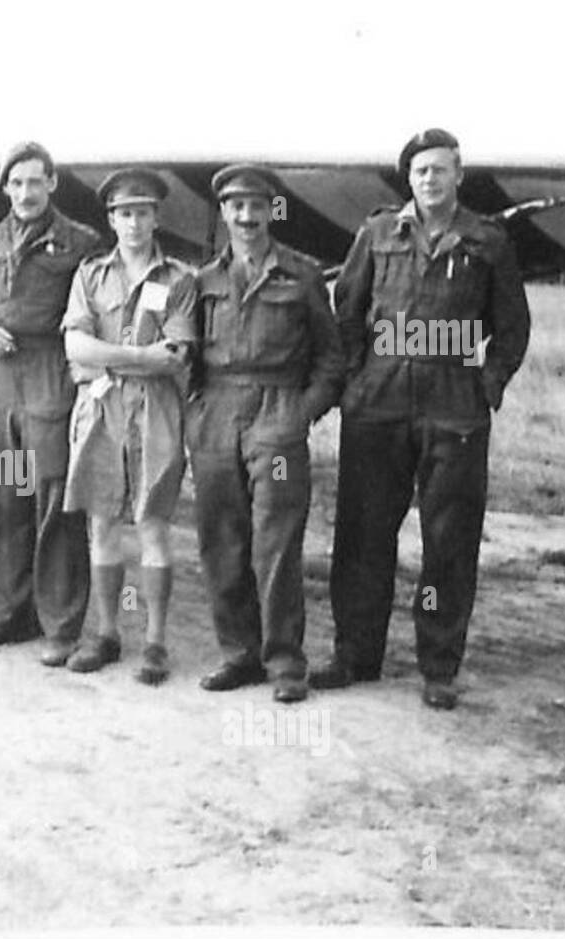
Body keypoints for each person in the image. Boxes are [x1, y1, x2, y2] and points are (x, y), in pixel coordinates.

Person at [311, 129, 531, 710]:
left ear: (459, 174)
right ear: (407, 179)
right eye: (418, 171)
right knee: (362, 534)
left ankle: (438, 666)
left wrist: (487, 383)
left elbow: (511, 326)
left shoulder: (487, 240)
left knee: (448, 540)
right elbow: (348, 309)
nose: (429, 179)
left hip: (454, 405)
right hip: (378, 402)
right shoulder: (378, 231)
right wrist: (358, 376)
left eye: (439, 169)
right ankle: (356, 655)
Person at [188, 164, 345, 703]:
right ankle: (238, 652)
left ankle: (284, 661)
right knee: (220, 538)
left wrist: (299, 416)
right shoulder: (202, 280)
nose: (248, 217)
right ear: (225, 213)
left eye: (258, 206)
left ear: (272, 211)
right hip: (215, 417)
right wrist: (196, 413)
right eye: (237, 207)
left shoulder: (301, 276)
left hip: (277, 416)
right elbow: (187, 356)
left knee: (275, 542)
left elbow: (331, 360)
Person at [0, 141, 102, 666]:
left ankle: (60, 624)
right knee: (2, 498)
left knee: (56, 502)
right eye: (16, 184)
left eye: (35, 182)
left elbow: (94, 314)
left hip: (49, 374)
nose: (25, 192)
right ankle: (4, 612)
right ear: (5, 188)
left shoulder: (80, 242)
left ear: (52, 183)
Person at [60, 168, 196, 685]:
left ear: (156, 216)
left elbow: (176, 356)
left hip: (156, 410)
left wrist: (110, 358)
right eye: (123, 213)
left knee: (154, 524)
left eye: (142, 212)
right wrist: (140, 354)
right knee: (101, 522)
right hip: (100, 409)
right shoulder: (90, 274)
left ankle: (156, 642)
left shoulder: (178, 279)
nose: (133, 222)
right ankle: (106, 632)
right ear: (111, 219)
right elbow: (75, 347)